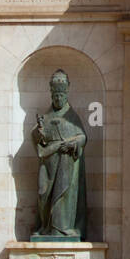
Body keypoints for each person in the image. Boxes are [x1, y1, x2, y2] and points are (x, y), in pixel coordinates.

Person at [32, 69, 88, 238]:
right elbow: (37, 139)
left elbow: (83, 137)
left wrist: (71, 144)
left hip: (66, 164)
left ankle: (61, 228)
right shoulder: (46, 117)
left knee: (63, 195)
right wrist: (39, 133)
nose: (57, 99)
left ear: (65, 96)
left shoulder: (72, 116)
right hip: (48, 164)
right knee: (43, 192)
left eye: (60, 96)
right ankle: (45, 226)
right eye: (55, 96)